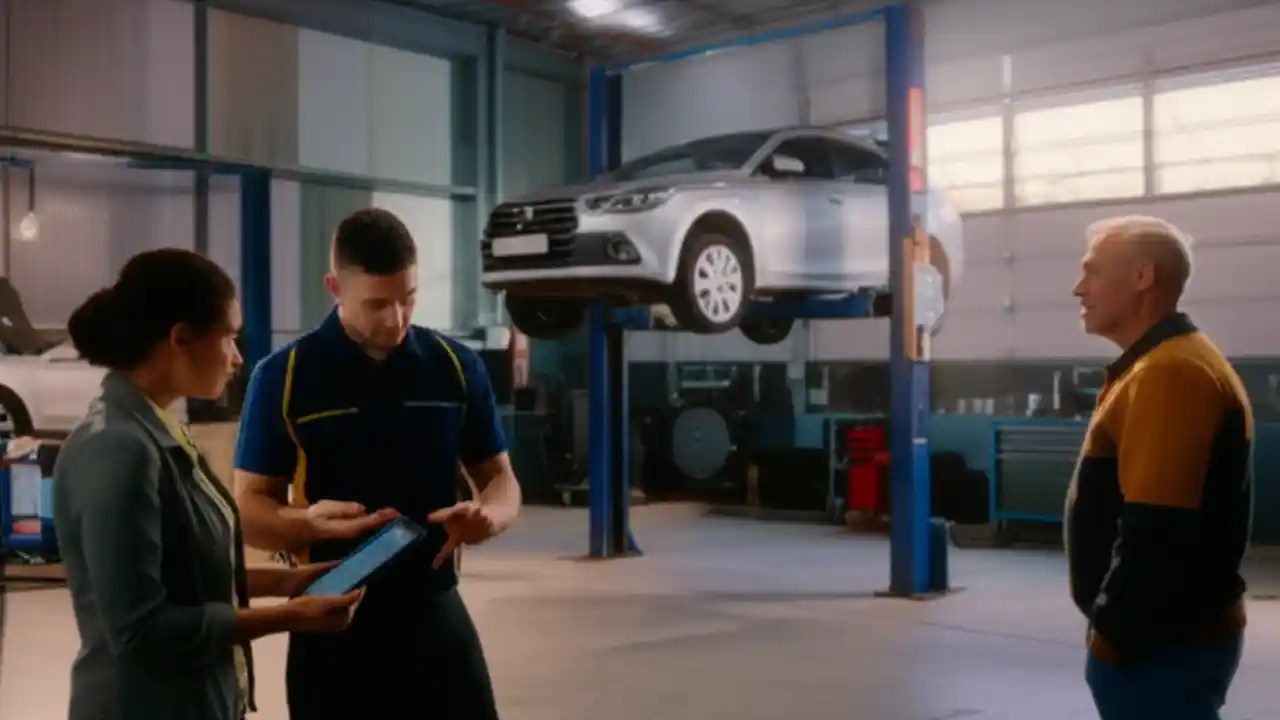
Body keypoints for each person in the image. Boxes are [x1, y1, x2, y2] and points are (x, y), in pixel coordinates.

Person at [233, 208, 521, 719]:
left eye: (408, 298)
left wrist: (488, 517)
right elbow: (250, 509)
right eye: (377, 303)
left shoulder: (455, 367)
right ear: (334, 288)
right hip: (332, 611)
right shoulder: (284, 377)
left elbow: (499, 478)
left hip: (433, 602)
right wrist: (305, 524)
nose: (396, 319)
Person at [52, 249, 365, 720]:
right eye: (229, 337)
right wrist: (289, 617)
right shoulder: (119, 449)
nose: (237, 357)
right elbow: (141, 630)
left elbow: (185, 578)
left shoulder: (158, 432)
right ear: (180, 338)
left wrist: (288, 581)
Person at [1065, 215, 1251, 719]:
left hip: (1158, 649)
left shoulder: (1170, 371)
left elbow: (1157, 531)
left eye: (1092, 271)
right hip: (1161, 644)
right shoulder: (1158, 365)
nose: (1079, 289)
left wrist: (1112, 634)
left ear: (1143, 277)